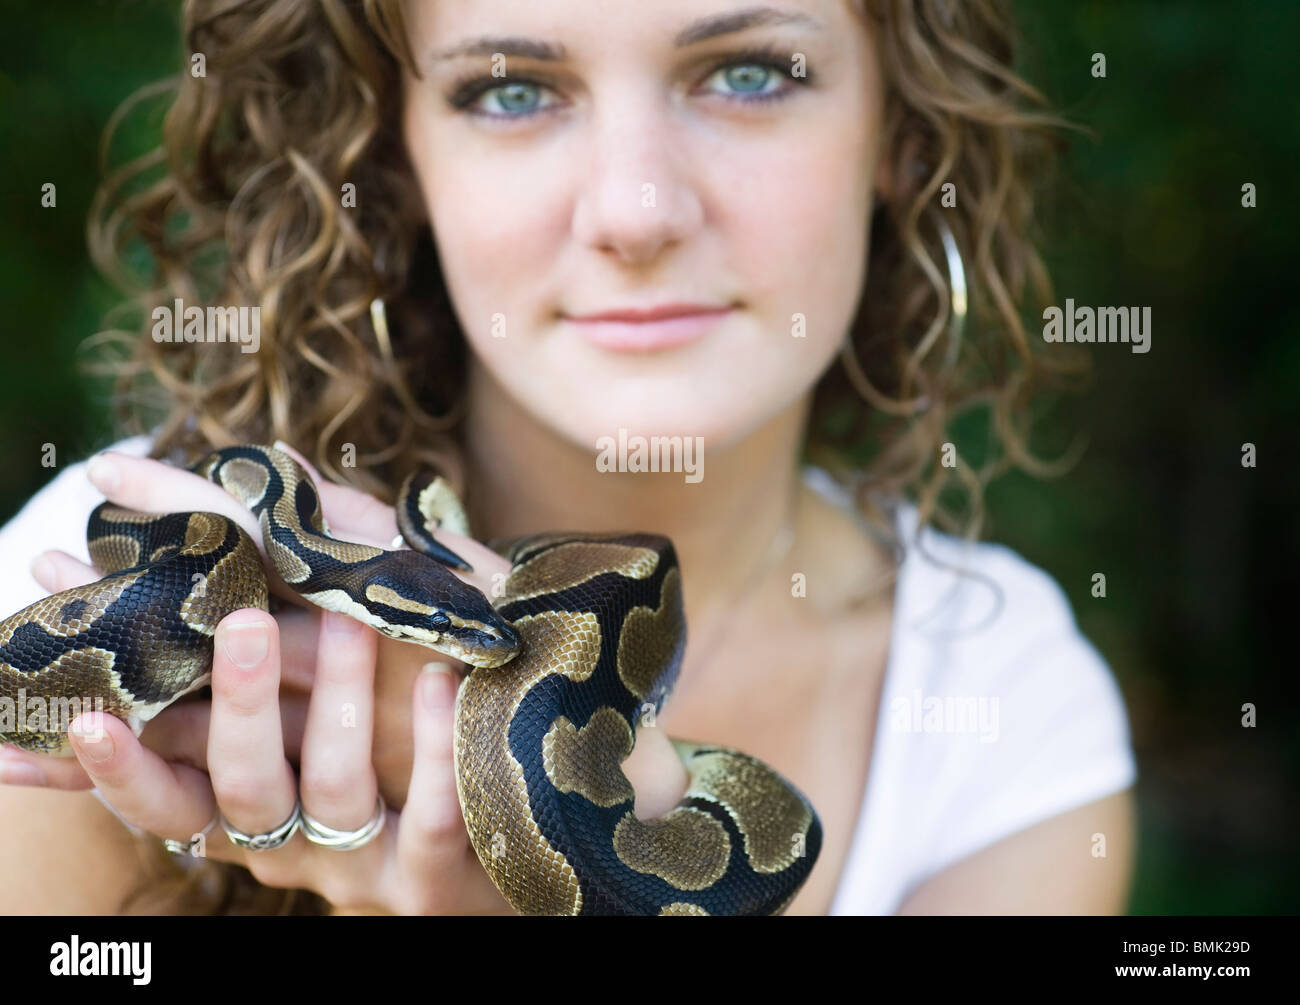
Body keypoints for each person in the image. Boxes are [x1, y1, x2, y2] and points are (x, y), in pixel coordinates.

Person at [0, 0, 1136, 915]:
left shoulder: (1009, 708)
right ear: (392, 160)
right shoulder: (73, 581)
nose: (636, 212)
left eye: (748, 73)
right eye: (511, 90)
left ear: (906, 134)